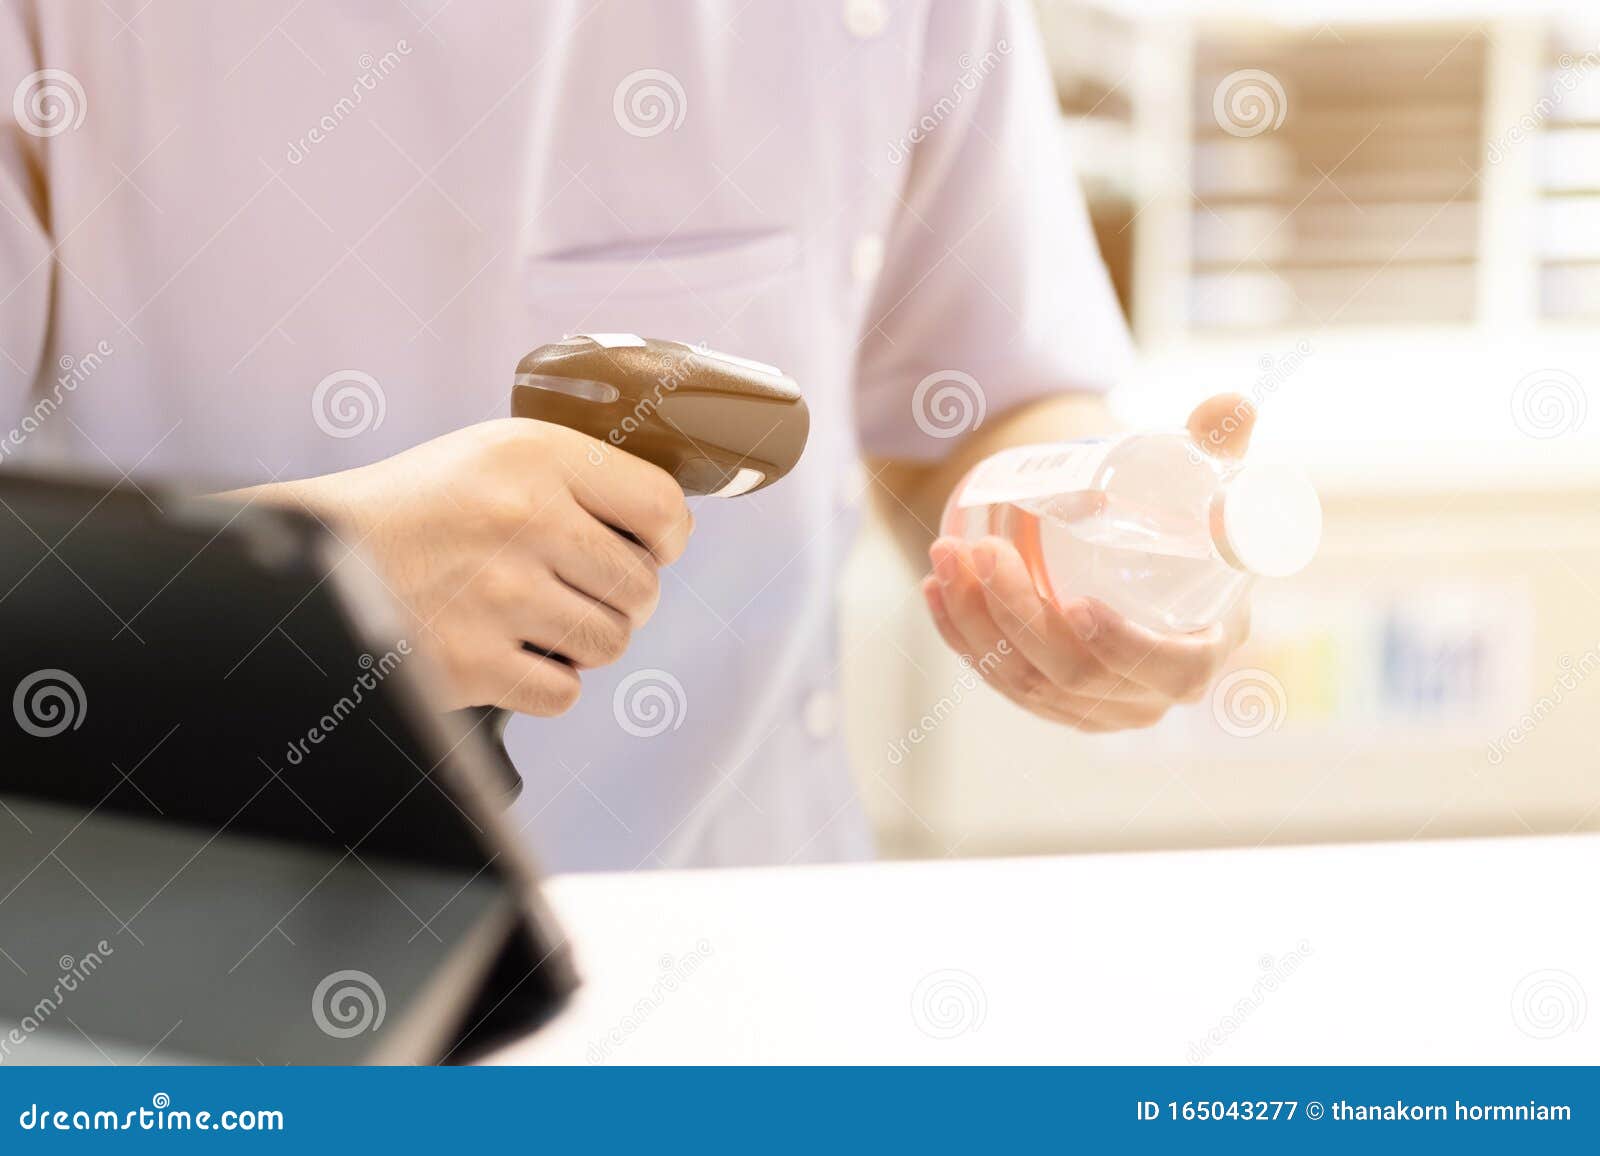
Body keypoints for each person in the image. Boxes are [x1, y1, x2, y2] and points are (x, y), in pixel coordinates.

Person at [0, 0, 1251, 871]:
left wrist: (1086, 540)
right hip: (207, 966)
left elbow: (976, 395)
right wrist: (302, 597)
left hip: (738, 953)